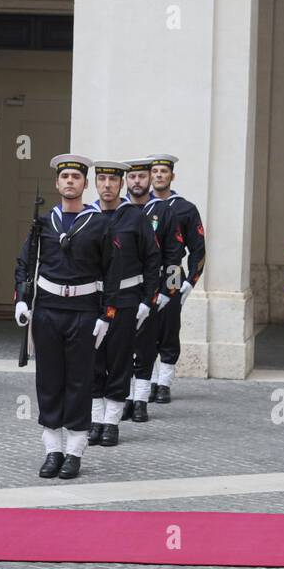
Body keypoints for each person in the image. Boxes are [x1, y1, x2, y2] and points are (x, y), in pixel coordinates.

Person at [12, 154, 113, 480]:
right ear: (57, 184)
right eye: (65, 176)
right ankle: (52, 448)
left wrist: (106, 315)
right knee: (49, 380)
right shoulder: (43, 224)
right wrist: (22, 300)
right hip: (49, 310)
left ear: (85, 184)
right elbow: (25, 264)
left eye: (76, 177)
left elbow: (114, 272)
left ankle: (74, 451)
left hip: (84, 312)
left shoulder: (99, 224)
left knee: (80, 381)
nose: (70, 181)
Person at [89, 160, 161, 447]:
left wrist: (147, 299)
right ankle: (94, 419)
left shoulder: (135, 217)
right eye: (102, 179)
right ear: (95, 183)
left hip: (126, 300)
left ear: (121, 185)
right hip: (92, 300)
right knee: (94, 361)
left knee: (119, 360)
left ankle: (112, 422)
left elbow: (153, 260)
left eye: (113, 180)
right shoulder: (88, 216)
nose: (107, 185)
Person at [121, 158, 179, 424]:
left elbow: (174, 254)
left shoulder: (164, 211)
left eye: (141, 177)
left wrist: (169, 290)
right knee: (122, 349)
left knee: (145, 348)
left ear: (149, 180)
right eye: (132, 177)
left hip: (154, 291)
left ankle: (141, 400)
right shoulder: (118, 211)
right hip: (123, 291)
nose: (137, 182)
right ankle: (125, 398)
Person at [146, 153, 205, 404]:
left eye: (163, 171)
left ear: (172, 176)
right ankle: (145, 381)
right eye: (155, 171)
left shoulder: (185, 209)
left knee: (169, 329)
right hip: (144, 277)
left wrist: (189, 282)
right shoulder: (140, 207)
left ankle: (164, 383)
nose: (159, 175)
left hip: (172, 275)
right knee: (144, 330)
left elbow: (198, 249)